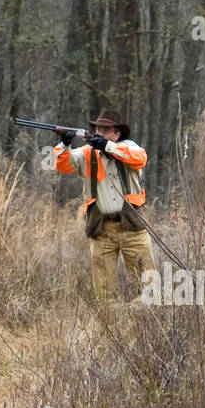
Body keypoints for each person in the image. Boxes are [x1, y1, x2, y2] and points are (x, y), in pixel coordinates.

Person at [53, 109, 153, 320]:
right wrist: (65, 144)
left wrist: (106, 146)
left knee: (149, 291)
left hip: (132, 228)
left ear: (117, 133)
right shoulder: (87, 153)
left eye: (106, 130)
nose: (100, 132)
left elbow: (140, 158)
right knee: (104, 296)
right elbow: (62, 165)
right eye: (98, 128)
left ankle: (137, 329)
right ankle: (113, 339)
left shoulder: (129, 148)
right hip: (102, 231)